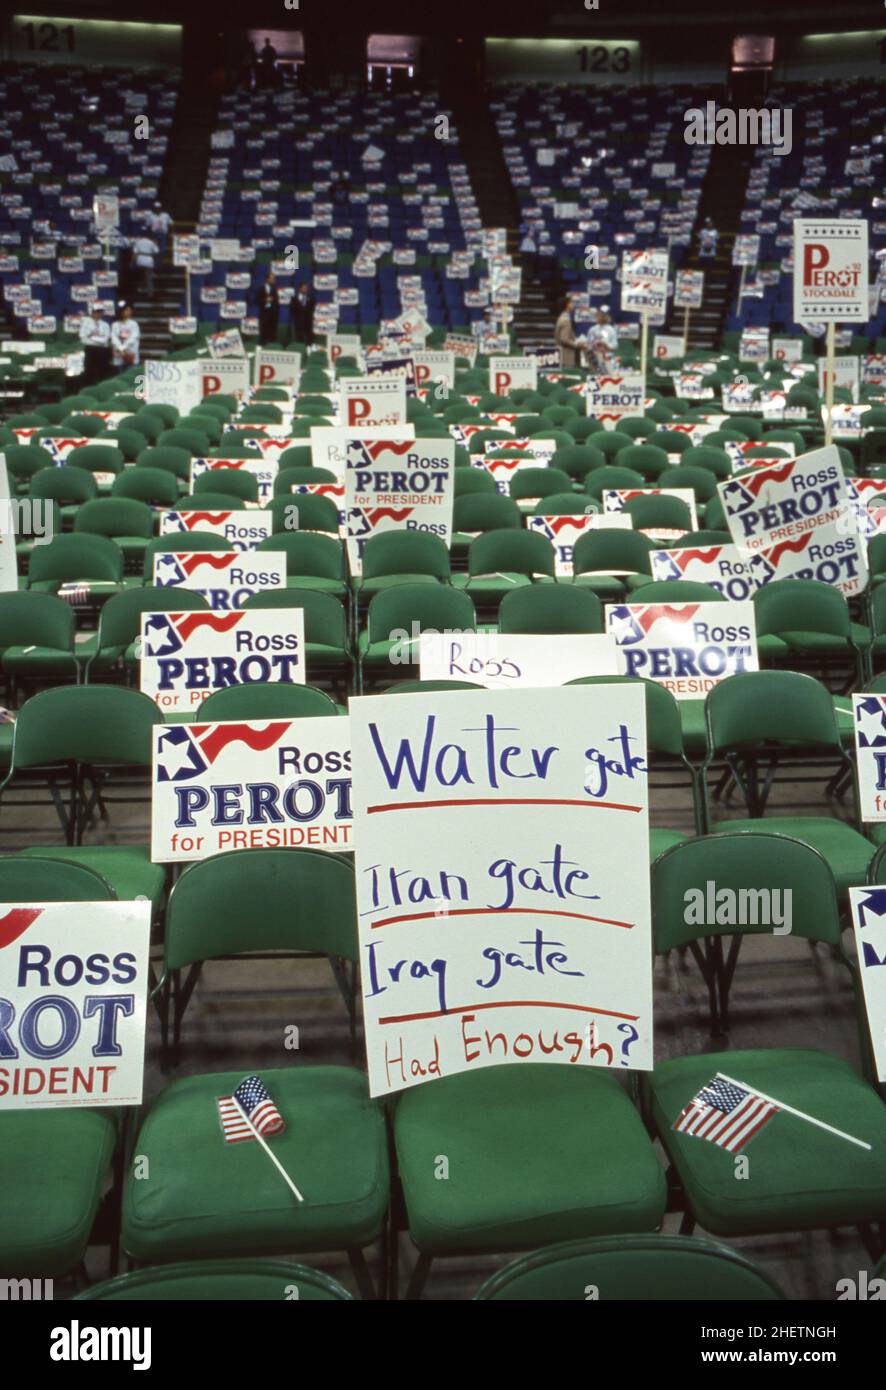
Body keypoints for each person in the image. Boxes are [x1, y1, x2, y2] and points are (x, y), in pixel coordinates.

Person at [79, 304, 112, 386]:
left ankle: (102, 388)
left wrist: (92, 338)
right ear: (92, 313)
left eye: (100, 312)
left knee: (103, 372)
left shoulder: (105, 325)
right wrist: (96, 341)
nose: (98, 314)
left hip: (103, 351)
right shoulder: (86, 324)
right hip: (91, 350)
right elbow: (83, 338)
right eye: (96, 312)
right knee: (89, 372)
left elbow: (106, 339)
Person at [131, 230, 159, 298]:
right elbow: (156, 251)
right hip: (148, 260)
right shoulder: (151, 242)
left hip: (140, 260)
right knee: (149, 278)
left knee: (141, 276)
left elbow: (135, 253)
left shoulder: (138, 242)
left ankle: (140, 290)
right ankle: (150, 293)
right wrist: (156, 244)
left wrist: (132, 262)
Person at [111, 302, 140, 368]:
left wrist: (123, 348)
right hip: (119, 355)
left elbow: (133, 338)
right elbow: (114, 338)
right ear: (121, 311)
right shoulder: (115, 324)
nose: (128, 312)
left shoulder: (134, 324)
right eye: (126, 310)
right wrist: (120, 348)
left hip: (130, 354)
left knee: (131, 375)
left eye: (129, 310)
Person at [256, 269, 280, 346]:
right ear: (267, 279)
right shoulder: (260, 289)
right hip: (264, 317)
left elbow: (276, 303)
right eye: (272, 278)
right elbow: (256, 301)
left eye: (274, 278)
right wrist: (265, 300)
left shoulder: (275, 290)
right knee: (263, 337)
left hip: (273, 318)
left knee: (272, 337)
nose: (274, 280)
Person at [554, 297, 579, 368]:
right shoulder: (566, 320)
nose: (573, 305)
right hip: (566, 356)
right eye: (571, 303)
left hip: (561, 355)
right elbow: (564, 339)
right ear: (567, 305)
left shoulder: (561, 317)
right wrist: (577, 345)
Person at [292, 280, 315, 346]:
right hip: (298, 323)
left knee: (309, 340)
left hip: (308, 323)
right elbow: (293, 311)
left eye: (306, 288)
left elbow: (312, 309)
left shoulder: (311, 298)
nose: (305, 289)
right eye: (304, 288)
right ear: (300, 288)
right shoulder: (294, 299)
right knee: (299, 339)